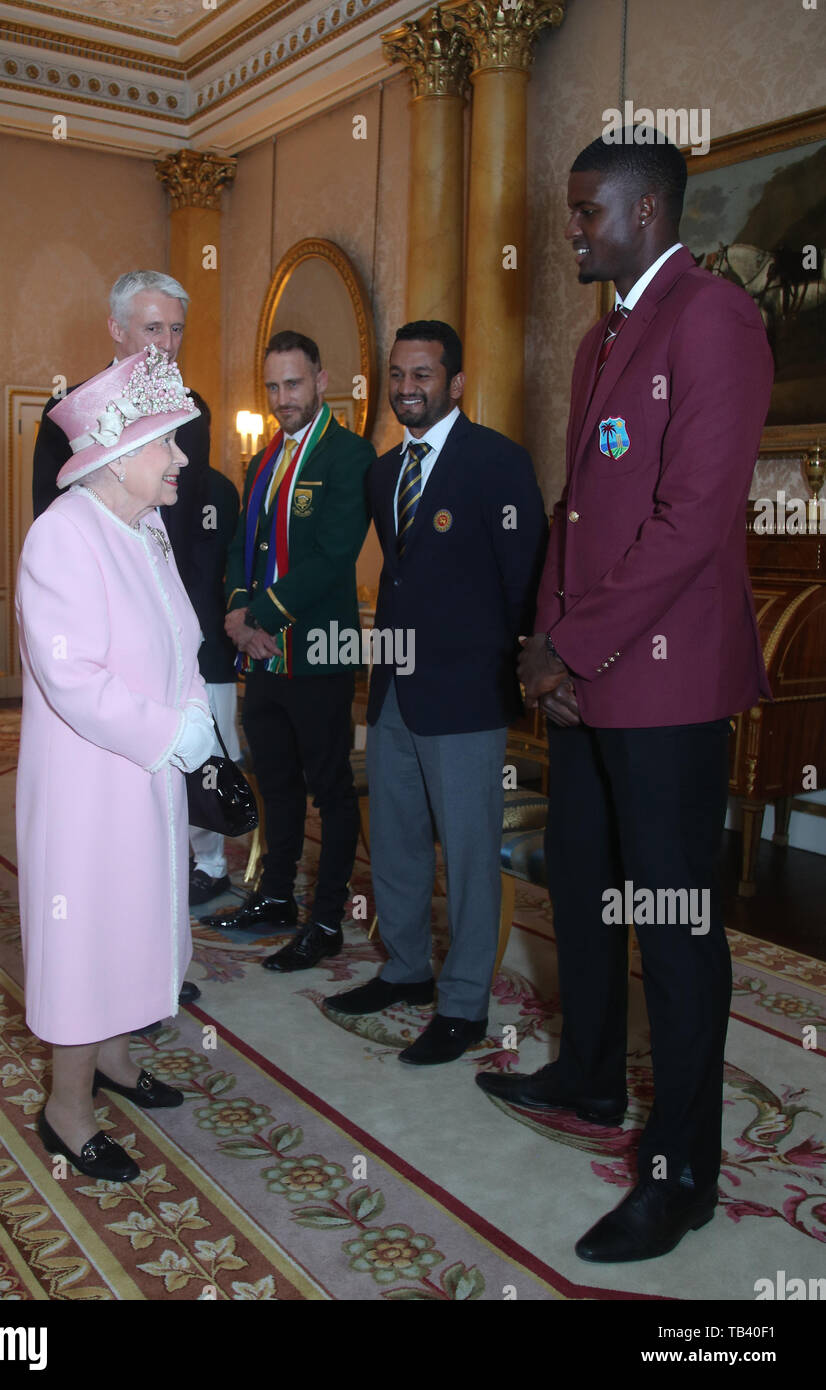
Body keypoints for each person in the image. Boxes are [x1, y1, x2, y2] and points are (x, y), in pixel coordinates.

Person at [478, 132, 774, 1261]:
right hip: (593, 676)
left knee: (676, 922)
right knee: (588, 886)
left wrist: (572, 647)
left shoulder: (712, 319)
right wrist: (546, 642)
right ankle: (593, 1074)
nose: (573, 229)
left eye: (587, 211)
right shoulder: (610, 332)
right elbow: (582, 510)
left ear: (647, 213)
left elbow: (691, 524)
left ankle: (683, 1170)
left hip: (667, 681)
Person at [16, 345, 221, 1182]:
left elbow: (182, 636)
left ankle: (114, 1062)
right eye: (168, 441)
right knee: (86, 936)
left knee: (137, 920)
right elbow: (74, 678)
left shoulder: (146, 526)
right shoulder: (61, 537)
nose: (180, 457)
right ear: (117, 453)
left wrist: (197, 711)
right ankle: (67, 1108)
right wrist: (167, 734)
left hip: (146, 775)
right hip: (88, 789)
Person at [327, 321, 547, 1064]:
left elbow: (526, 582)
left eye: (422, 375)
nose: (406, 389)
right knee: (392, 842)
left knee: (471, 853)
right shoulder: (383, 473)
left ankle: (463, 1005)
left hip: (466, 696)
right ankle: (406, 969)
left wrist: (521, 670)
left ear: (455, 382)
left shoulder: (499, 464)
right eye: (397, 375)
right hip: (393, 690)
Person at [34, 270, 240, 924]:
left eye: (177, 329)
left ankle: (165, 943)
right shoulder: (67, 414)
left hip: (173, 625)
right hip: (106, 643)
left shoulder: (195, 409)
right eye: (154, 328)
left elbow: (193, 529)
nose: (167, 343)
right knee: (110, 833)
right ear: (117, 330)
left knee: (176, 808)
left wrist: (192, 631)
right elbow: (60, 526)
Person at [208, 331, 374, 972]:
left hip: (318, 654)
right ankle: (275, 896)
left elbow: (333, 558)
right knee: (274, 783)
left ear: (321, 380)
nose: (282, 399)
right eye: (273, 387)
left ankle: (326, 919)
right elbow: (240, 551)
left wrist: (260, 615)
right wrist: (238, 613)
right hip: (263, 656)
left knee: (329, 790)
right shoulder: (262, 460)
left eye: (294, 384)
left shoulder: (350, 456)